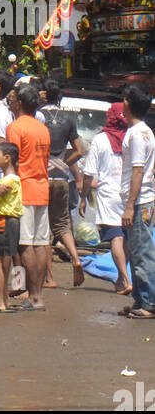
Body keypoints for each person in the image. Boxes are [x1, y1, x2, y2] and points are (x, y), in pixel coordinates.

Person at [7, 84, 52, 311]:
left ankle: (33, 296)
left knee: (26, 245)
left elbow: (11, 161)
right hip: (42, 189)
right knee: (41, 243)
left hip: (24, 190)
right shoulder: (42, 128)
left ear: (21, 103)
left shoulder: (15, 127)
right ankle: (38, 295)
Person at [80, 102, 131, 295]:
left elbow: (89, 173)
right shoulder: (132, 136)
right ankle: (120, 279)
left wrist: (83, 197)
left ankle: (125, 279)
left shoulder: (100, 140)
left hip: (108, 195)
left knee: (116, 237)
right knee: (125, 236)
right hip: (129, 194)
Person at [38, 80, 85, 288]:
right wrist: (63, 164)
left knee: (44, 227)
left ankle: (49, 278)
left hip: (41, 177)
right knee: (62, 223)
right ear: (59, 98)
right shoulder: (68, 119)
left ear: (43, 96)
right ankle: (76, 258)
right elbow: (79, 150)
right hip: (61, 178)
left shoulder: (38, 117)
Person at [119, 83, 155, 319]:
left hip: (140, 201)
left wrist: (131, 205)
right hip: (141, 200)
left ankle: (148, 303)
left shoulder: (139, 134)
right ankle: (141, 300)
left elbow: (139, 171)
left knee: (142, 253)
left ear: (129, 103)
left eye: (124, 99)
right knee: (136, 251)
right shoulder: (142, 132)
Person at [0, 141, 23, 312]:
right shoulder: (13, 179)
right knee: (3, 259)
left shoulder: (8, 180)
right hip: (10, 222)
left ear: (7, 158)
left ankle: (0, 299)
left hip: (4, 221)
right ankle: (4, 299)